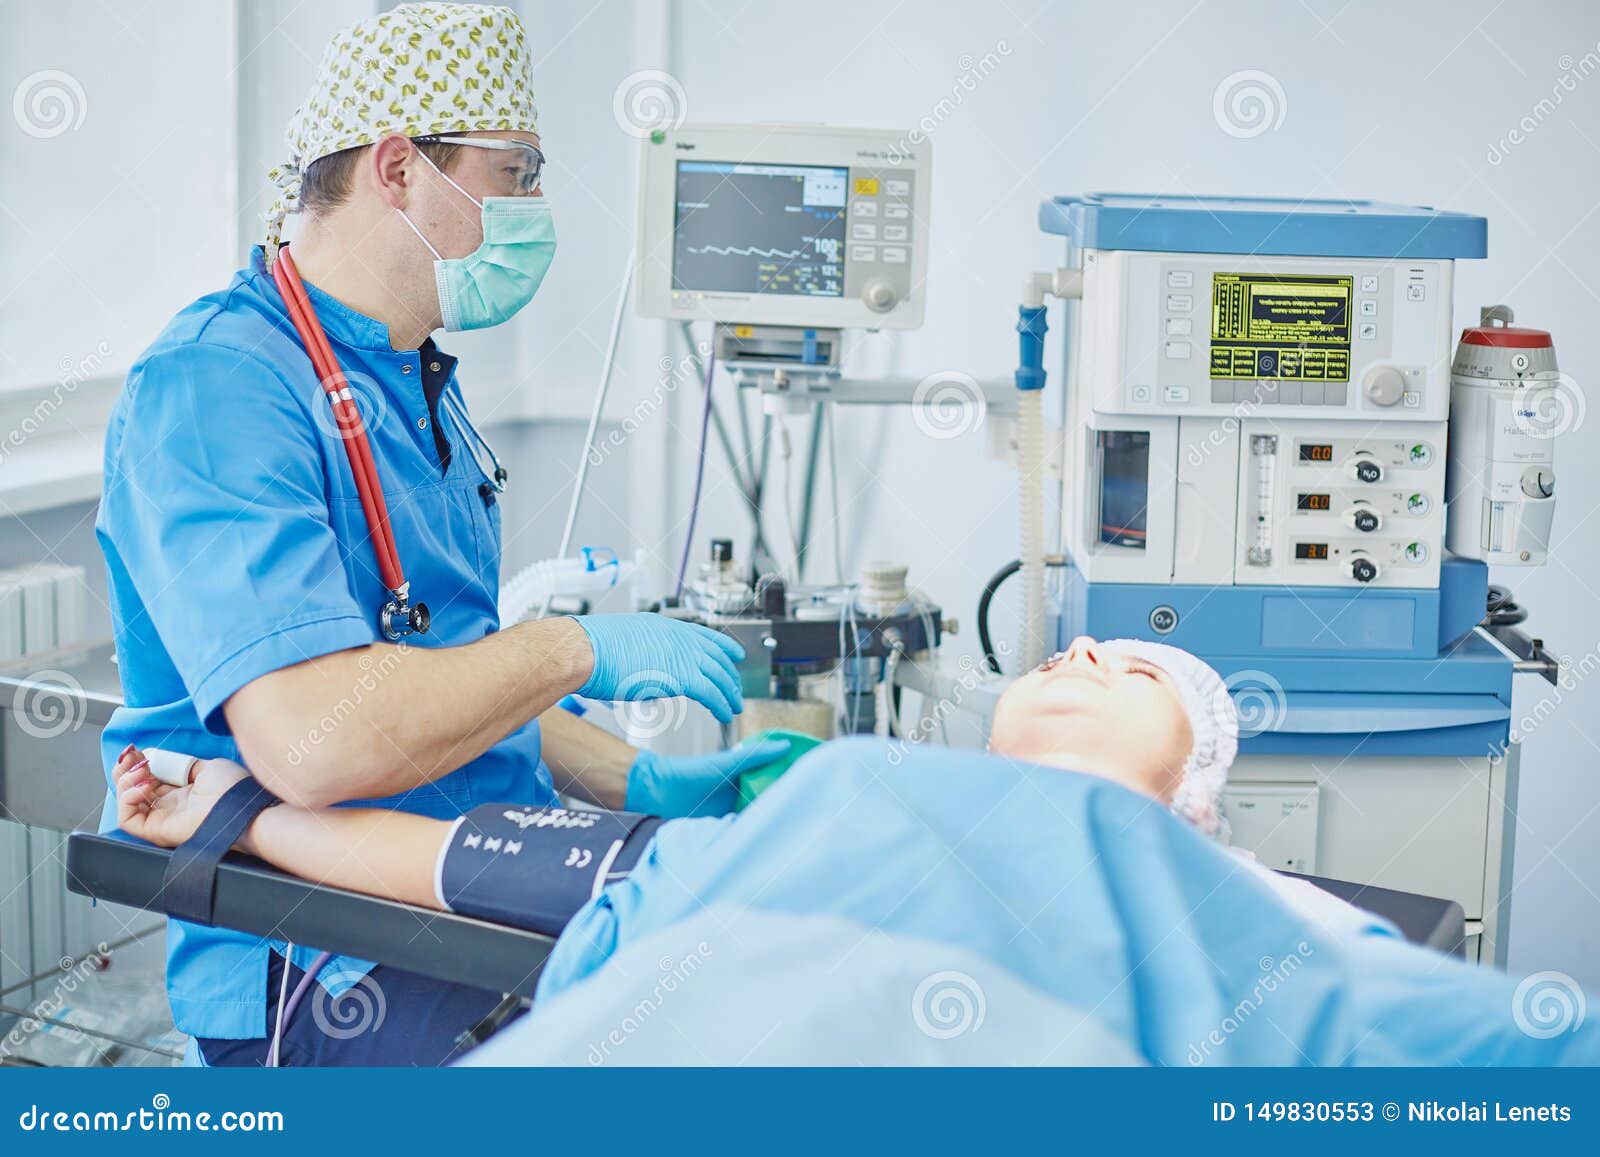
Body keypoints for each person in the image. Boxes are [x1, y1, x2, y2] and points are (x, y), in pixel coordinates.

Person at [94, 2, 787, 1067]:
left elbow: (437, 674)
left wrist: (631, 779)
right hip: (328, 954)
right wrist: (568, 648)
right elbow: (315, 740)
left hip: (473, 877)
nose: (536, 208)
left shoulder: (407, 376)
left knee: (763, 959)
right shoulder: (214, 387)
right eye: (516, 173)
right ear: (397, 168)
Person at [114, 635, 1600, 1066]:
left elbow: (1476, 1052)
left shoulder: (1242, 906)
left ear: (1195, 794)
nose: (1085, 650)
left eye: (1140, 668)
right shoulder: (823, 799)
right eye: (1074, 647)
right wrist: (235, 811)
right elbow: (460, 860)